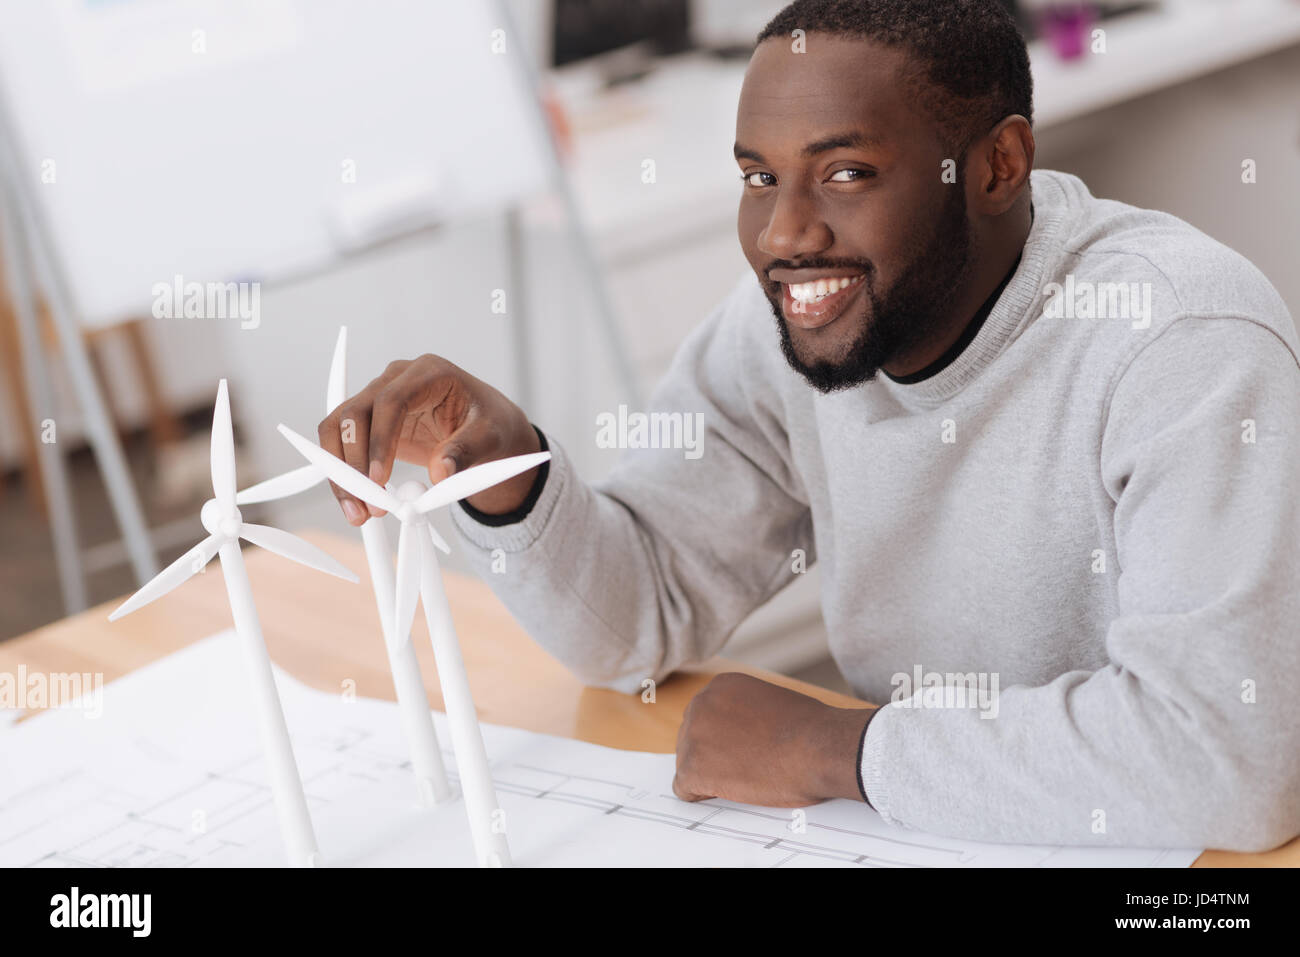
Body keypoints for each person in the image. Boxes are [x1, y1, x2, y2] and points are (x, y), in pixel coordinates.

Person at [316, 0, 1300, 850]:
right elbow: (639, 618)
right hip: (940, 836)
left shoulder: (1180, 341)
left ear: (997, 166)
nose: (783, 236)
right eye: (758, 176)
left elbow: (1228, 762)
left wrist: (838, 750)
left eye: (845, 175)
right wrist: (510, 472)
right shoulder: (783, 330)